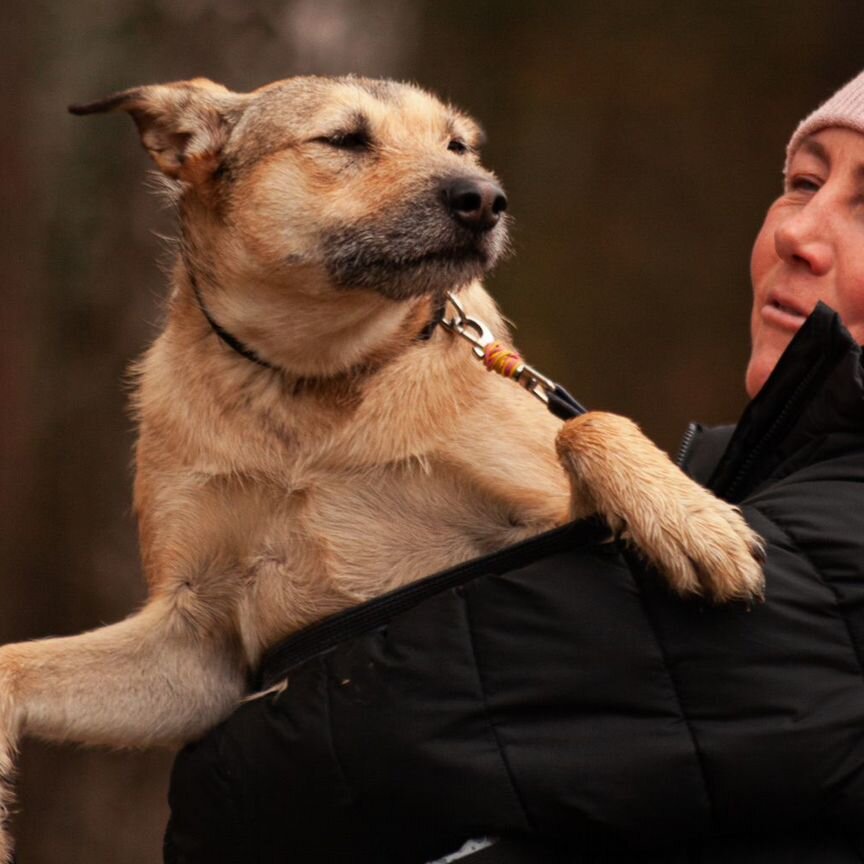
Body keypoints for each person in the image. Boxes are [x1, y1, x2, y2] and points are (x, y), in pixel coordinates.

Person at [162, 73, 864, 863]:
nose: (800, 233)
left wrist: (222, 775)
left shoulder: (831, 539)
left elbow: (388, 731)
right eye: (803, 182)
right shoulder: (723, 473)